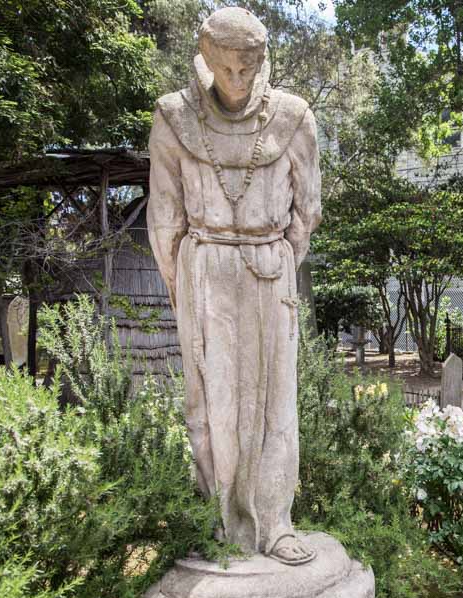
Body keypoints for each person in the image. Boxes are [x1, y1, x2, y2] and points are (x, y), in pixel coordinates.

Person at [147, 7, 321, 565]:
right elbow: (165, 217)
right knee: (211, 397)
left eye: (248, 67)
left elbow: (306, 211)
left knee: (275, 403)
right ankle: (217, 522)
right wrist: (183, 285)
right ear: (206, 56)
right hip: (204, 270)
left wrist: (277, 261)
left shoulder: (293, 117)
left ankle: (275, 523)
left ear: (262, 60)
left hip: (270, 269)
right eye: (227, 68)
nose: (238, 79)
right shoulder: (173, 117)